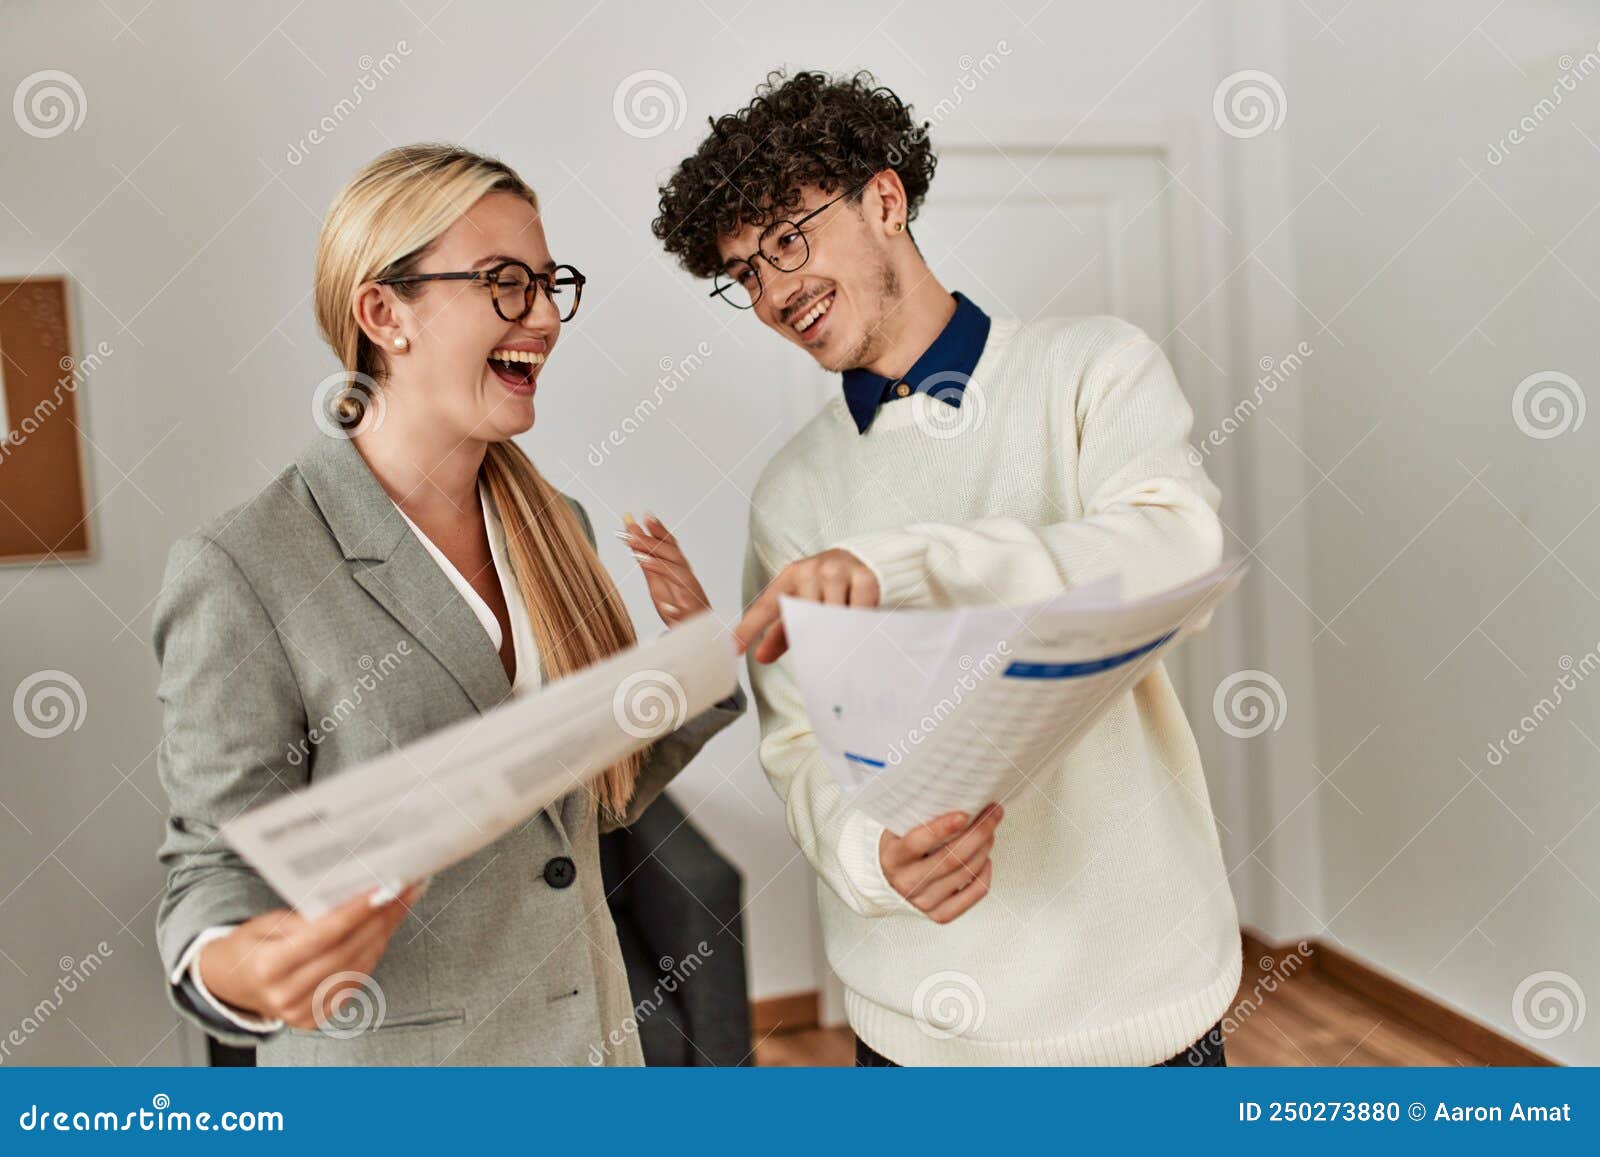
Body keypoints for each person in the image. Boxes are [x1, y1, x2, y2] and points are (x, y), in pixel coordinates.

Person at [652, 71, 1237, 1067]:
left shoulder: (1092, 368)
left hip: (1140, 1008)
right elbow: (798, 740)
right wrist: (867, 859)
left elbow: (1179, 554)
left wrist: (906, 568)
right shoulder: (789, 492)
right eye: (742, 272)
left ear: (885, 200)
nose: (772, 290)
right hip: (913, 1031)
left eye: (786, 239)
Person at [152, 143, 744, 1065]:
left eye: (551, 284)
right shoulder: (244, 567)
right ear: (384, 313)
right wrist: (237, 964)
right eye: (506, 283)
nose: (544, 317)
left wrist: (692, 665)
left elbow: (584, 810)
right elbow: (211, 865)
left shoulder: (560, 528)